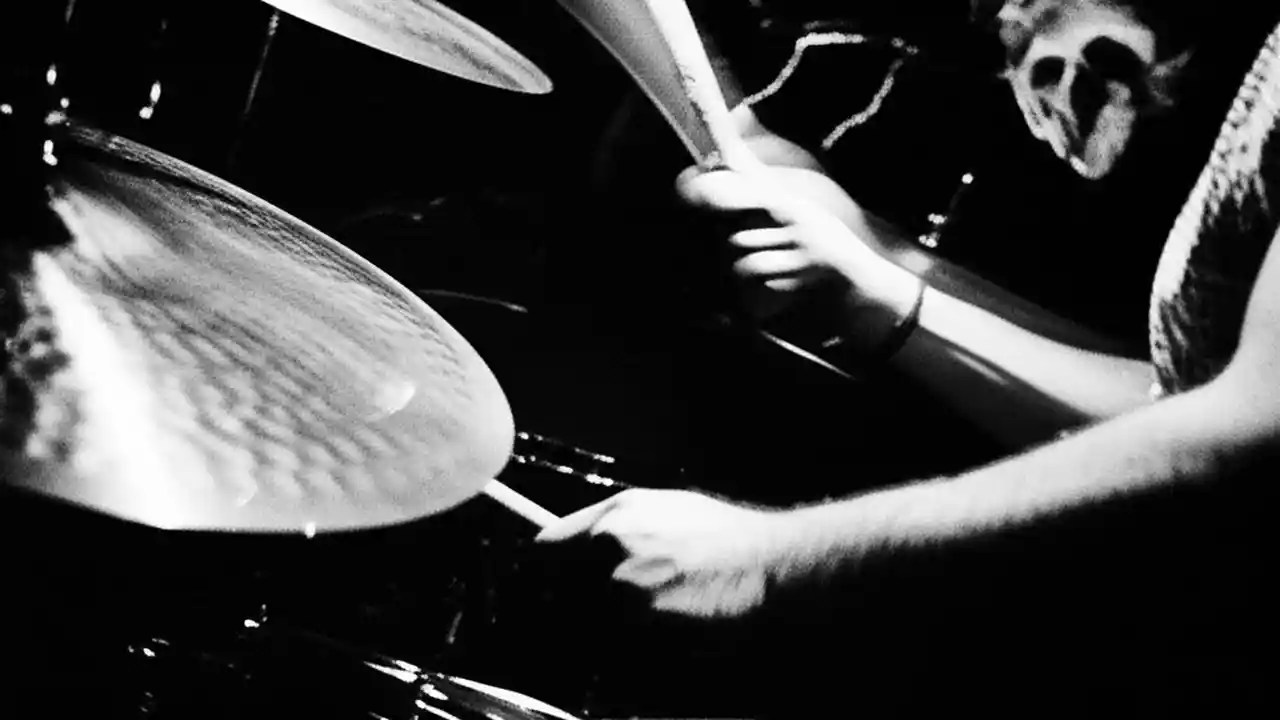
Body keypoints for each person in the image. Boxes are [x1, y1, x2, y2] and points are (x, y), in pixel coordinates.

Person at [536, 1, 1280, 713]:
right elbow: (1186, 381)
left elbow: (1229, 427)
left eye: (1116, 72)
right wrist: (833, 219)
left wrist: (774, 553)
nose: (1079, 98)